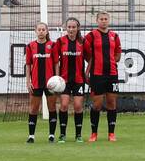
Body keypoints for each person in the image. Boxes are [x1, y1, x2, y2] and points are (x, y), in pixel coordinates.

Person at [83, 11, 123, 142]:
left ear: (109, 21)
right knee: (97, 104)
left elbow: (118, 54)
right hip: (97, 75)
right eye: (101, 19)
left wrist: (111, 60)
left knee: (112, 103)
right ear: (97, 20)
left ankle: (111, 133)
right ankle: (94, 133)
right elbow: (86, 54)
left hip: (112, 74)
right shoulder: (91, 36)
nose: (104, 21)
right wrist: (91, 66)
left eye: (106, 19)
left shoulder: (114, 36)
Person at [50, 18, 87, 142]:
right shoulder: (60, 42)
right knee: (64, 105)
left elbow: (90, 58)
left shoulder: (83, 42)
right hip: (64, 81)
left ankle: (78, 135)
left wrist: (87, 73)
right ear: (66, 28)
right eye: (69, 27)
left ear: (78, 28)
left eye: (74, 27)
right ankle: (62, 134)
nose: (71, 29)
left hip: (79, 80)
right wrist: (56, 77)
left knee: (77, 106)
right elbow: (55, 60)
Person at [23, 22, 58, 143]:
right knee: (33, 108)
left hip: (50, 83)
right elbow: (28, 65)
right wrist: (28, 81)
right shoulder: (30, 46)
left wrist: (57, 78)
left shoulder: (52, 45)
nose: (41, 31)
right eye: (39, 29)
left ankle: (51, 135)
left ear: (47, 31)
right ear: (35, 31)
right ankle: (31, 135)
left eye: (43, 29)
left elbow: (56, 63)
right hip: (36, 82)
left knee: (52, 107)